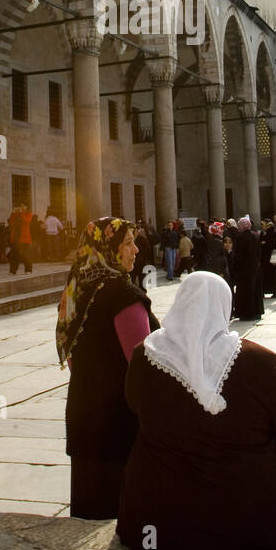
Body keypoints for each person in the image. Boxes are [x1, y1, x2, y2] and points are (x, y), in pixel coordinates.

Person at [117, 271, 276, 550]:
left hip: (160, 520)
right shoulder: (257, 361)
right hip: (251, 524)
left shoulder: (144, 356)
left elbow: (134, 407)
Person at [56, 215, 159, 518]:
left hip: (84, 419)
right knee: (121, 517)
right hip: (118, 427)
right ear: (109, 248)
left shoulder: (76, 291)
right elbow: (145, 366)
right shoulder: (124, 296)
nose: (136, 250)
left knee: (89, 509)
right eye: (128, 243)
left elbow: (72, 358)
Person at [232, 216, 263, 320]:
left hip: (244, 269)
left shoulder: (240, 237)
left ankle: (246, 313)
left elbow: (238, 255)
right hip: (254, 267)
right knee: (255, 290)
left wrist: (235, 267)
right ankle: (257, 312)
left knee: (245, 291)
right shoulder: (255, 235)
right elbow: (258, 251)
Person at [8, 202, 33, 274]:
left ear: (27, 207)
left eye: (23, 206)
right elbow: (10, 222)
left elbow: (26, 221)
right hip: (16, 238)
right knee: (14, 255)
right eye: (20, 206)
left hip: (25, 238)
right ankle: (13, 271)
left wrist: (21, 213)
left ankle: (28, 270)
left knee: (26, 255)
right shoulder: (16, 214)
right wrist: (13, 213)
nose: (21, 207)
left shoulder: (29, 214)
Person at [260, 219, 276, 299]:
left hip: (272, 258)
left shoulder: (272, 232)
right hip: (264, 258)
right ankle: (264, 291)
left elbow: (272, 244)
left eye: (263, 224)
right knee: (264, 275)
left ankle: (275, 292)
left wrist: (264, 243)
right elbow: (261, 242)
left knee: (273, 275)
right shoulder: (263, 233)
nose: (262, 226)